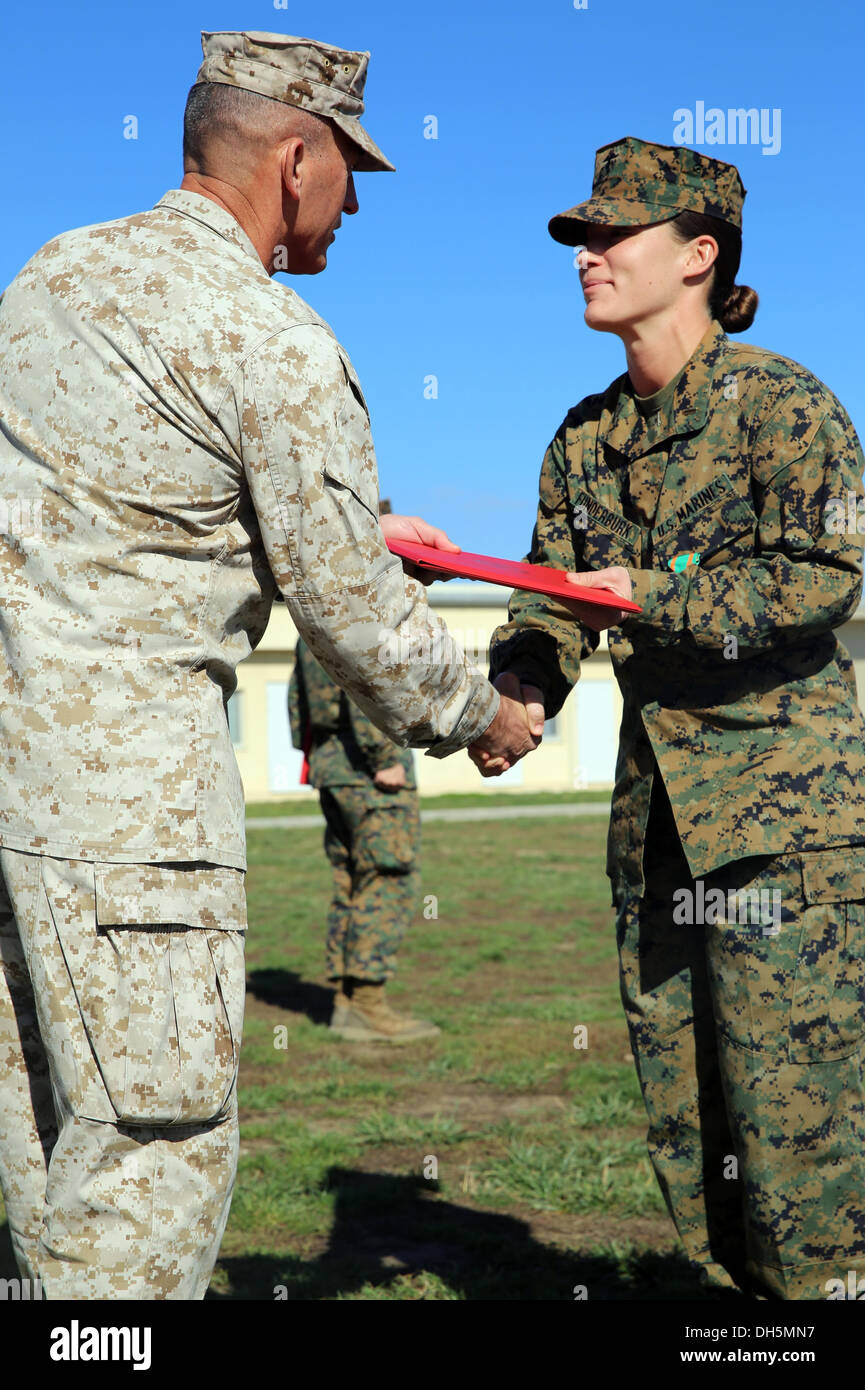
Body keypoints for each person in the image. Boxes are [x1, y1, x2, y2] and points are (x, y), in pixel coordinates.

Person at [0, 29, 538, 1300]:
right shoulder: (268, 334)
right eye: (353, 169)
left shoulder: (44, 285)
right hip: (125, 812)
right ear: (294, 159)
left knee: (38, 1150)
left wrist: (342, 524)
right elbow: (354, 614)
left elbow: (128, 504)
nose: (355, 204)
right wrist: (483, 714)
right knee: (146, 1158)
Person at [483, 136, 865, 1300]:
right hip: (658, 832)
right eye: (582, 238)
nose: (588, 256)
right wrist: (521, 689)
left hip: (780, 831)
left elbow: (828, 572)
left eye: (613, 234)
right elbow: (553, 599)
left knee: (799, 1135)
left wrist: (652, 596)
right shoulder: (582, 438)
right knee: (689, 1120)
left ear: (698, 254)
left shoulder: (781, 404)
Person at [289, 630, 438, 1042]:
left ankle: (345, 1001)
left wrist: (316, 756)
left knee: (350, 880)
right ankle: (369, 1005)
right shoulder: (364, 610)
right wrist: (385, 754)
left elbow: (299, 702)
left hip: (333, 767)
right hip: (368, 771)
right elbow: (370, 683)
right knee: (388, 878)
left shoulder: (316, 619)